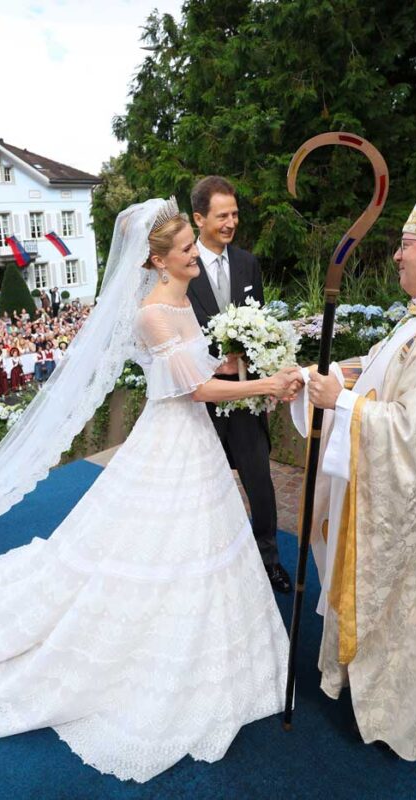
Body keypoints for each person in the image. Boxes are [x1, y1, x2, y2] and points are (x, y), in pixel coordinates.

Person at [0, 199, 299, 782]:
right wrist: (264, 384)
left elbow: (204, 368)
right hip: (173, 432)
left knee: (203, 541)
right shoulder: (151, 314)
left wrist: (250, 359)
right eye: (187, 251)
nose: (196, 254)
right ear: (158, 259)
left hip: (193, 437)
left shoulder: (181, 299)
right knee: (157, 543)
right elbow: (191, 391)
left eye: (193, 250)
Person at [293, 150, 416, 760]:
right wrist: (341, 374)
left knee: (412, 609)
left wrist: (345, 404)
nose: (397, 254)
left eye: (406, 243)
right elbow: (393, 373)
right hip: (410, 510)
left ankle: (407, 710)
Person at [182, 176, 291, 593]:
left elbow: (259, 325)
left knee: (260, 485)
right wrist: (213, 361)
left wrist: (263, 374)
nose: (231, 222)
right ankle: (209, 565)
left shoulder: (249, 264)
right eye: (222, 215)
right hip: (201, 399)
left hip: (246, 397)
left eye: (235, 214)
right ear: (199, 218)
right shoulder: (182, 266)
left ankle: (269, 560)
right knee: (203, 489)